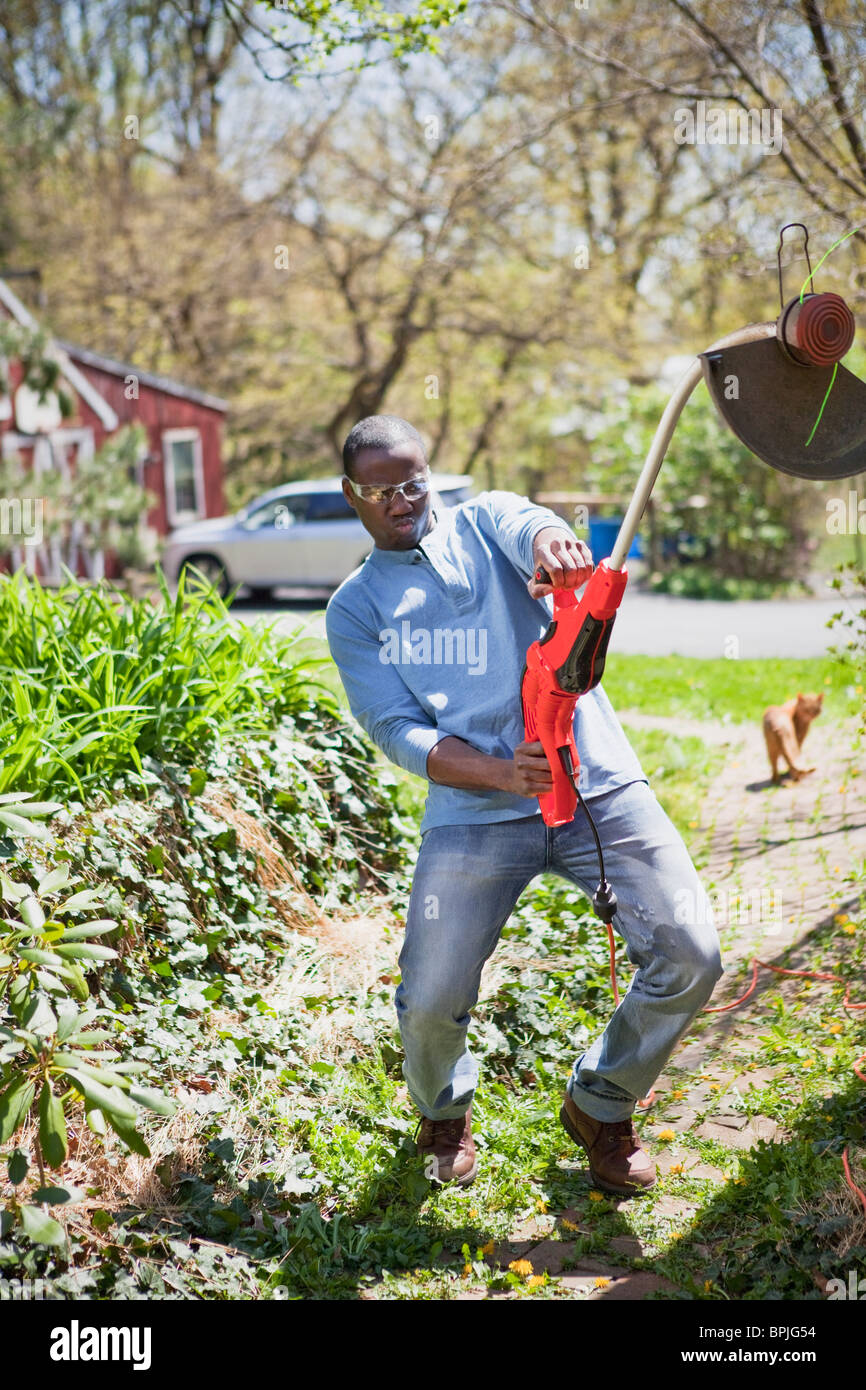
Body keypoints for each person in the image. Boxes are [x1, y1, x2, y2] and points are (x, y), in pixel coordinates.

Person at [325, 414, 723, 1195]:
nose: (402, 501)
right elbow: (396, 731)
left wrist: (553, 544)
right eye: (381, 490)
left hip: (595, 782)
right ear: (352, 496)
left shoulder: (484, 523)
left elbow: (525, 523)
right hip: (473, 814)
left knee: (691, 951)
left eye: (413, 482)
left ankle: (602, 1105)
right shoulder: (356, 609)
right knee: (431, 992)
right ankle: (443, 1112)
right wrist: (499, 775)